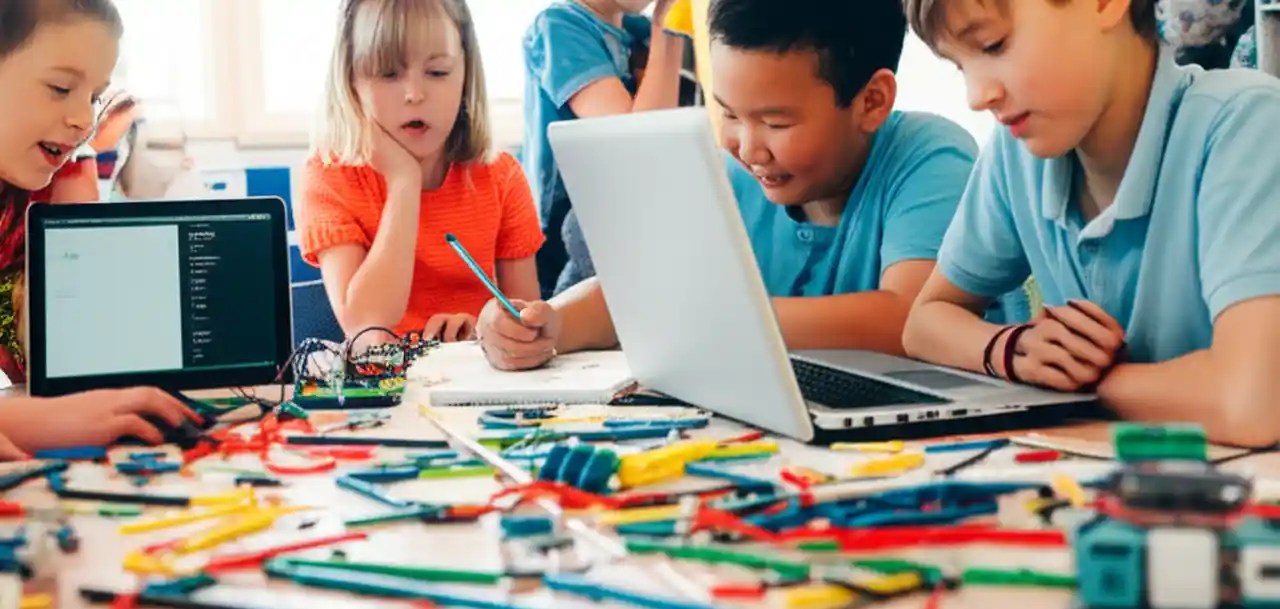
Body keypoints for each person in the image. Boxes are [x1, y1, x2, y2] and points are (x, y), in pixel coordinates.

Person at [478, 0, 981, 372]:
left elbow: (909, 317)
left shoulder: (930, 155)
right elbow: (639, 296)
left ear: (871, 101)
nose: (748, 147)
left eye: (776, 123)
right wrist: (550, 323)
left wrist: (708, 318)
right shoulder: (730, 176)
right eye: (730, 114)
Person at [900, 0, 1280, 447]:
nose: (977, 96)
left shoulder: (1247, 125)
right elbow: (923, 322)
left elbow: (1252, 402)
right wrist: (1012, 350)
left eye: (993, 45)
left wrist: (1079, 384)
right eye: (959, 67)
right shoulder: (1016, 154)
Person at [0, 0, 202, 455]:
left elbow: (66, 363)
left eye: (94, 96)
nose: (85, 120)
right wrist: (48, 420)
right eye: (59, 88)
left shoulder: (47, 183)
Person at [300, 0, 543, 345]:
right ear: (351, 81)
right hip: (387, 392)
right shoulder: (329, 176)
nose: (414, 94)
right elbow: (366, 327)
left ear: (465, 76)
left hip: (478, 381)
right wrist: (403, 181)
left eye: (438, 72)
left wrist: (480, 334)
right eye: (388, 74)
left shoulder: (501, 176)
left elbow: (529, 329)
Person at [522, 0, 686, 297]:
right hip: (563, 240)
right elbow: (635, 144)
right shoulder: (559, 26)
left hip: (626, 226)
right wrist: (668, 30)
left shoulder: (639, 32)